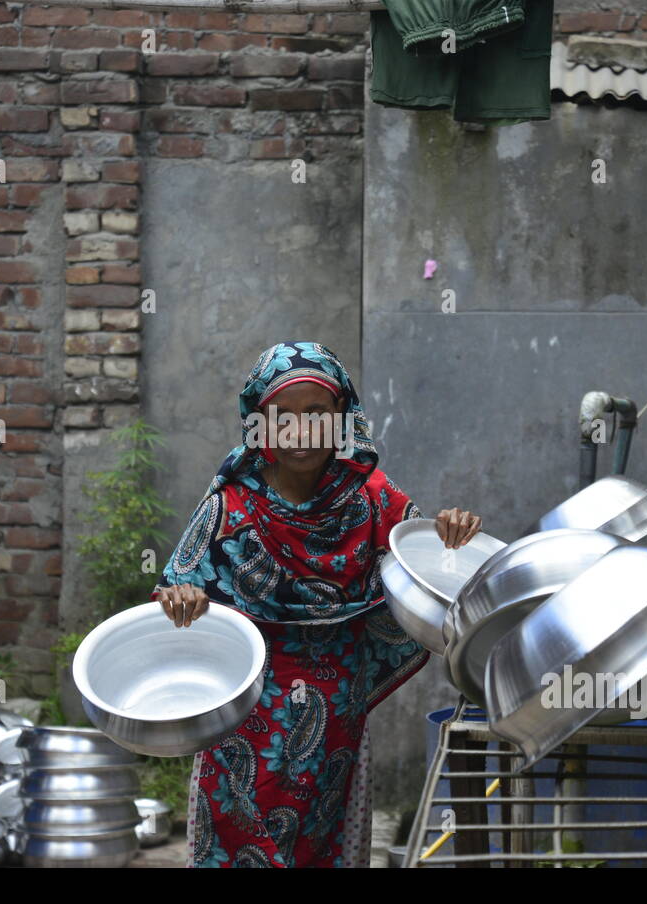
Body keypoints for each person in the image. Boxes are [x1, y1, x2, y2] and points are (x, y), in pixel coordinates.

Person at [150, 341, 483, 867]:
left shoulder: (372, 498)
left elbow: (426, 568)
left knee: (323, 850)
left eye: (316, 415)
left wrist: (452, 538)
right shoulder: (230, 504)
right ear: (258, 424)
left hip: (336, 729)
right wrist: (182, 599)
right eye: (280, 416)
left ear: (342, 420)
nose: (299, 431)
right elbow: (176, 590)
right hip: (241, 719)